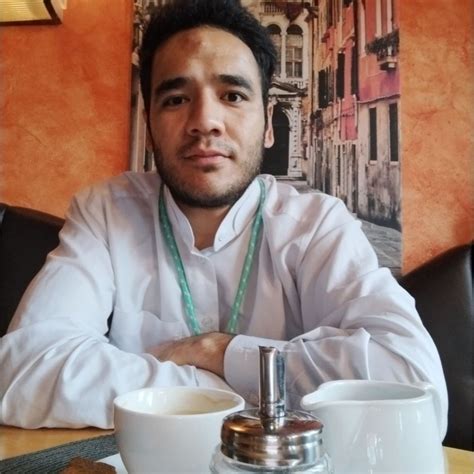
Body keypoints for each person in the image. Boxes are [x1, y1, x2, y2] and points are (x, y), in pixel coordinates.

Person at [0, 0, 447, 432]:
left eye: (232, 95)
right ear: (150, 127)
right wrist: (220, 390)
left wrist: (218, 351)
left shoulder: (317, 225)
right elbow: (22, 370)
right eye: (176, 99)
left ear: (268, 124)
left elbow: (416, 386)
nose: (205, 121)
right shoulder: (104, 213)